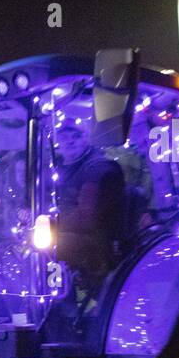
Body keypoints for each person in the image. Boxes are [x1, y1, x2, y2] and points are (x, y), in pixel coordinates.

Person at [52, 119, 126, 282]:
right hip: (71, 234)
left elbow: (86, 218)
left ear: (86, 138)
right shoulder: (58, 167)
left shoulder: (98, 168)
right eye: (64, 137)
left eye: (76, 136)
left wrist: (47, 222)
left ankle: (55, 296)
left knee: (48, 247)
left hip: (97, 245)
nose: (70, 141)